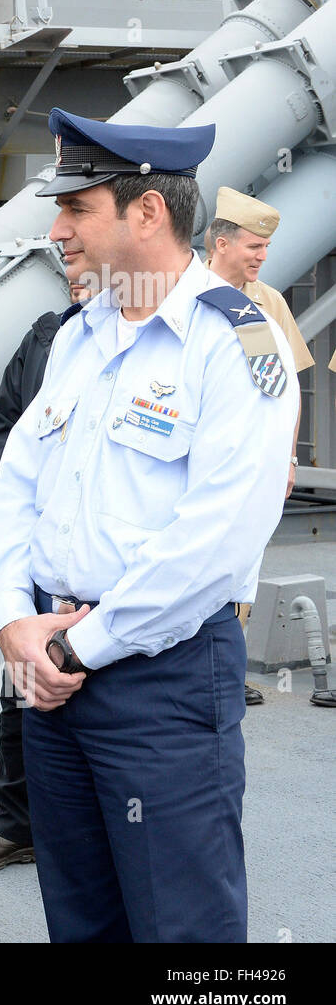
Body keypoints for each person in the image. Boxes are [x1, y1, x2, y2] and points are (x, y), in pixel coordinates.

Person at [0, 108, 298, 942]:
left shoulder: (235, 343)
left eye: (77, 208)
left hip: (164, 679)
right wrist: (14, 623)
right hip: (51, 673)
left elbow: (217, 538)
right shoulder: (79, 338)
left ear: (146, 212)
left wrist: (75, 649)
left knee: (181, 929)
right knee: (81, 918)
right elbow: (14, 496)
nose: (57, 228)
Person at [0, 272, 95, 876]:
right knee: (22, 694)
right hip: (39, 555)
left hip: (100, 574)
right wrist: (34, 485)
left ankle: (87, 832)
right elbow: (9, 421)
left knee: (100, 705)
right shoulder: (47, 338)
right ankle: (15, 824)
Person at [205, 186, 311, 704]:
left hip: (255, 462)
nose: (262, 257)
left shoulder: (267, 302)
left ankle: (229, 666)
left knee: (243, 564)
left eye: (266, 249)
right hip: (203, 454)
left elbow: (284, 390)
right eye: (254, 247)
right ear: (221, 243)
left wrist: (287, 458)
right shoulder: (180, 290)